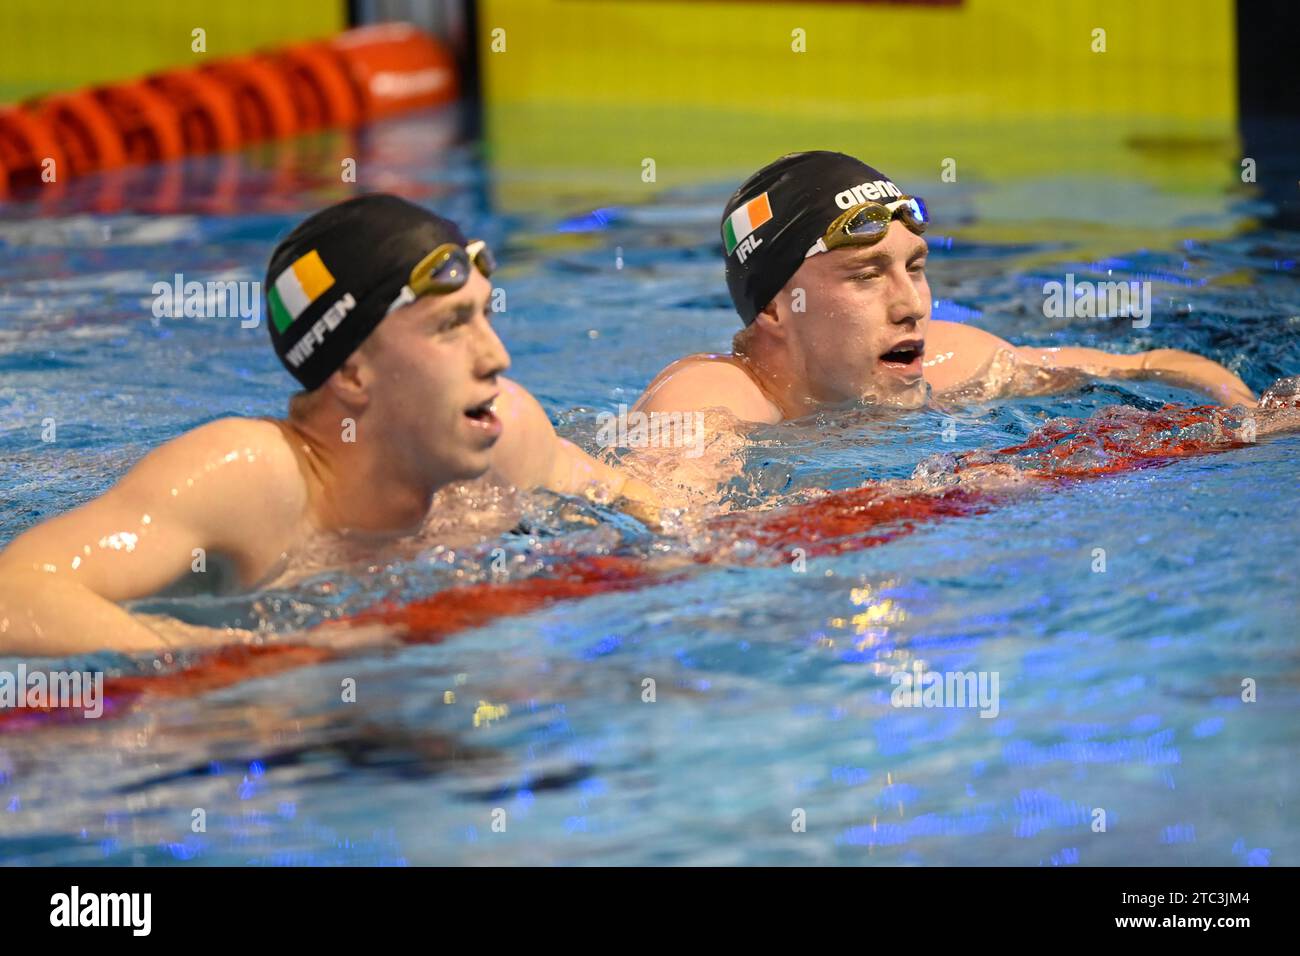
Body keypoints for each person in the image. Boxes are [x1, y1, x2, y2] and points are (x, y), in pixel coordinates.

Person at [0, 194, 656, 656]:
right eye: (451, 326)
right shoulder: (252, 477)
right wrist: (246, 656)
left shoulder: (505, 434)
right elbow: (17, 596)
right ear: (351, 374)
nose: (496, 356)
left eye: (485, 315)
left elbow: (642, 510)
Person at [633, 150, 1257, 424]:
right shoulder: (711, 400)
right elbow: (680, 545)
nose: (912, 305)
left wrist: (1245, 412)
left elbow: (1148, 363)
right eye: (866, 274)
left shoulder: (957, 361)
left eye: (915, 265)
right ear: (774, 306)